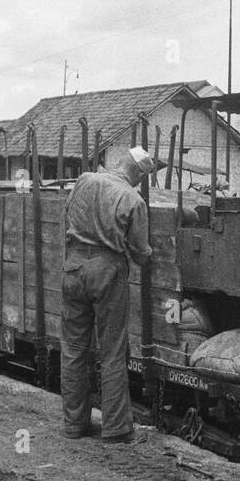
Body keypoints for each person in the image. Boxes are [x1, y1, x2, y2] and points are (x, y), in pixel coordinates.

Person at [61, 146, 154, 443]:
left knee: (73, 349)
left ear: (118, 163)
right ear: (138, 174)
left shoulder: (84, 180)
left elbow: (67, 216)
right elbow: (139, 253)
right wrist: (150, 255)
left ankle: (74, 425)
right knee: (112, 351)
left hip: (73, 267)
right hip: (106, 271)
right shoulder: (133, 199)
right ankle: (116, 429)